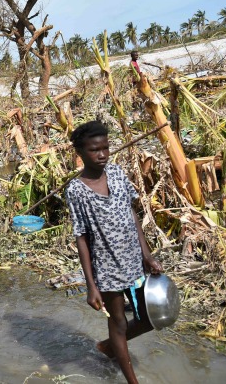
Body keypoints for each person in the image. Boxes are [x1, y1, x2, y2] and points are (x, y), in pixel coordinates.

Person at [65, 121, 163, 384]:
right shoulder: (76, 190)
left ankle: (108, 347)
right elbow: (81, 237)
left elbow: (132, 213)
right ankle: (132, 380)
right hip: (107, 268)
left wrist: (147, 254)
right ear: (81, 152)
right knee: (118, 323)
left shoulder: (117, 174)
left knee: (149, 319)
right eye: (95, 150)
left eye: (106, 148)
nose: (102, 155)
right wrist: (91, 285)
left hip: (134, 260)